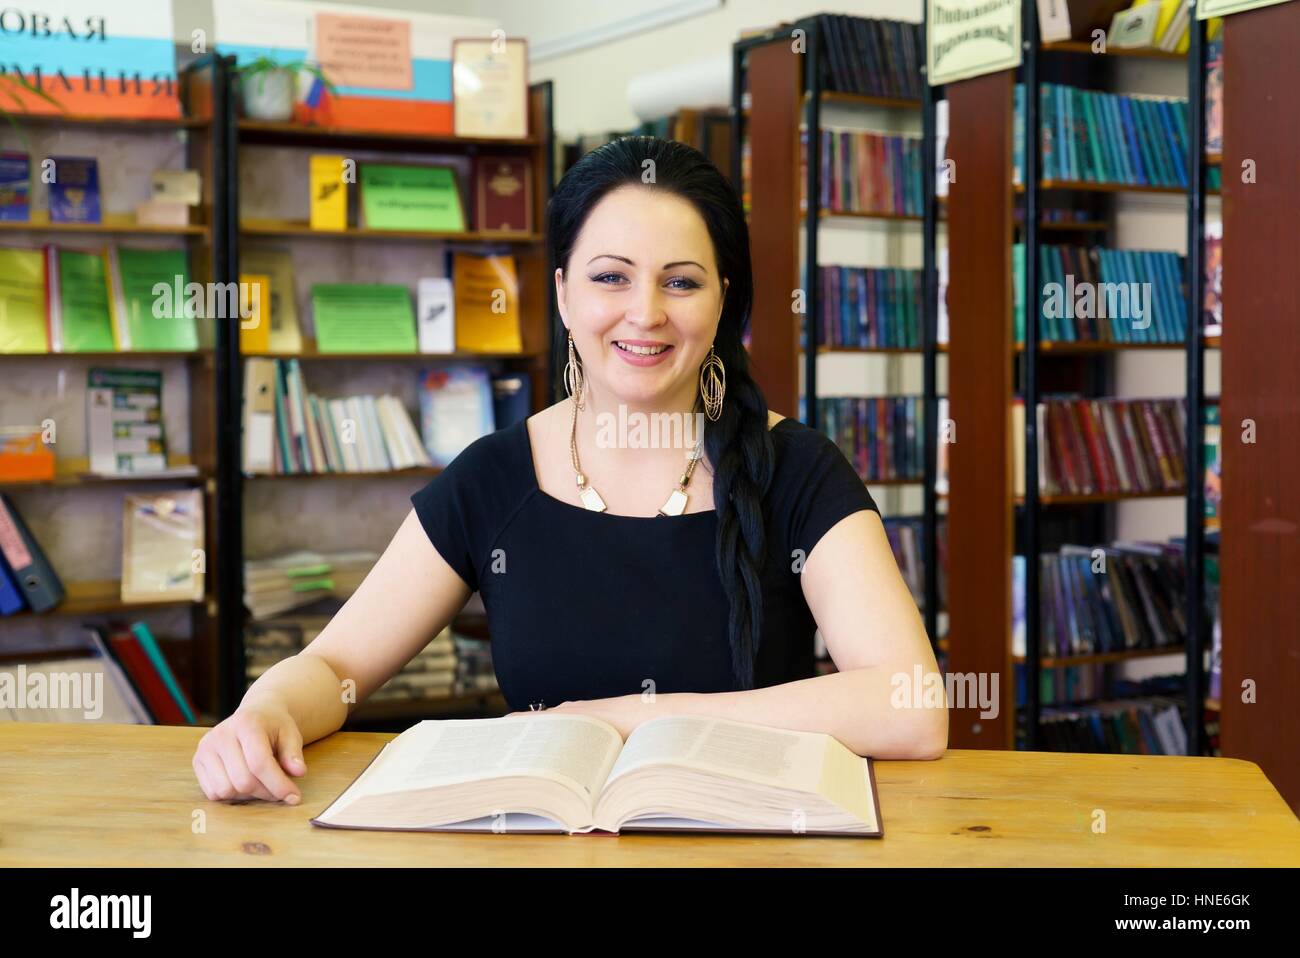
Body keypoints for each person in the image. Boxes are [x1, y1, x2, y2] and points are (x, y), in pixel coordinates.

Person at [192, 137, 947, 806]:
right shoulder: (494, 479)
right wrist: (265, 709)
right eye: (610, 277)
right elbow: (333, 665)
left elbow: (910, 706)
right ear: (561, 293)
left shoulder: (798, 470)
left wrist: (621, 717)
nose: (644, 312)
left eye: (681, 282)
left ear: (725, 301)